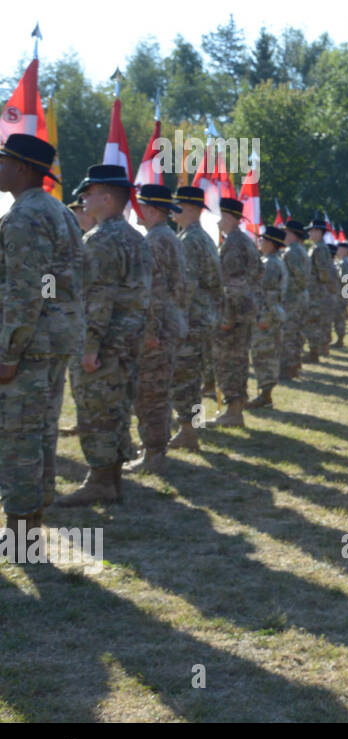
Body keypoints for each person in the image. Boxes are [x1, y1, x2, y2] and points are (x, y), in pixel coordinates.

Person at [0, 135, 85, 529]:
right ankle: (32, 518)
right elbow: (53, 282)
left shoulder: (23, 217)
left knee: (17, 437)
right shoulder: (59, 211)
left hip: (30, 343)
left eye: (3, 160)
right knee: (41, 432)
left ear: (20, 168)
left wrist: (8, 353)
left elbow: (24, 290)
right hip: (54, 338)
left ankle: (21, 532)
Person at [57, 165, 150, 507]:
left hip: (105, 341)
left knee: (96, 410)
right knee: (117, 408)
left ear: (107, 197)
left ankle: (100, 481)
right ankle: (111, 480)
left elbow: (98, 299)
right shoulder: (135, 238)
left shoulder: (101, 240)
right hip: (128, 339)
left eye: (89, 193)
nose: (83, 199)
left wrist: (88, 348)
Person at [126, 183, 190, 474]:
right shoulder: (171, 237)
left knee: (150, 394)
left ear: (150, 209)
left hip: (158, 328)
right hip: (171, 323)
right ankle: (155, 450)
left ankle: (153, 454)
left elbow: (153, 290)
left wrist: (149, 332)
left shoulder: (154, 241)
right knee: (159, 391)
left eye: (140, 205)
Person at [169, 186, 222, 450]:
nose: (172, 211)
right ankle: (190, 427)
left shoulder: (189, 240)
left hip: (191, 318)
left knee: (185, 376)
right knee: (193, 375)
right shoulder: (204, 238)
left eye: (177, 206)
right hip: (203, 316)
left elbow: (184, 286)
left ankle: (188, 430)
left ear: (189, 208)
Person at [211, 197, 263, 427]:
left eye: (220, 216)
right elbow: (257, 273)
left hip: (234, 313)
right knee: (238, 360)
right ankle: (235, 410)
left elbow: (233, 284)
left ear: (229, 216)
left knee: (230, 362)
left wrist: (227, 316)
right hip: (245, 311)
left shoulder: (233, 243)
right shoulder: (244, 240)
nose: (218, 221)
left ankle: (233, 411)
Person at [248, 225, 289, 409]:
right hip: (271, 313)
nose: (260, 242)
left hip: (268, 315)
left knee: (264, 355)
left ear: (271, 244)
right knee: (263, 354)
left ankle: (265, 396)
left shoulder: (271, 264)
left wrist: (263, 316)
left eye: (263, 240)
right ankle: (264, 394)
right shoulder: (271, 261)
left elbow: (268, 293)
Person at [280, 219, 310, 379]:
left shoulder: (291, 252)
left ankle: (288, 368)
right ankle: (295, 364)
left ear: (294, 235)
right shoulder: (302, 250)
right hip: (301, 295)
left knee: (289, 334)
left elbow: (297, 276)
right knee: (297, 332)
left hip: (292, 297)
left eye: (287, 232)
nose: (284, 235)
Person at [305, 217, 334, 360]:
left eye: (311, 231)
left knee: (314, 321)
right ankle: (316, 350)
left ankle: (314, 352)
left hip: (316, 291)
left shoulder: (319, 248)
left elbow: (324, 273)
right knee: (314, 321)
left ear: (318, 232)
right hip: (315, 290)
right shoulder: (318, 247)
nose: (309, 234)